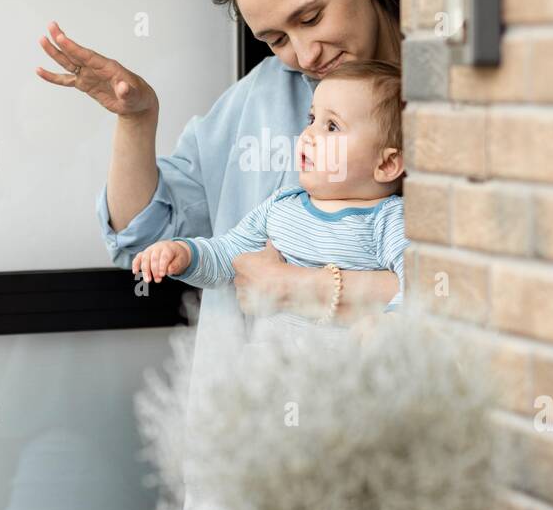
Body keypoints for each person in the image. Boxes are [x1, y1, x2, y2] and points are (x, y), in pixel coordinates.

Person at [35, 0, 404, 510]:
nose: (303, 52)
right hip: (251, 456)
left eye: (310, 16)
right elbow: (145, 237)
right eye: (277, 38)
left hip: (388, 451)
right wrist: (136, 120)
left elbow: (454, 283)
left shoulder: (442, 99)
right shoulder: (261, 100)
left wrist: (300, 287)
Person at [131, 60, 407, 335]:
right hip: (273, 374)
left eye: (332, 126)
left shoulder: (391, 220)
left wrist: (389, 328)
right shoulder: (281, 206)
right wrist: (185, 254)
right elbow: (227, 256)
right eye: (311, 119)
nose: (308, 135)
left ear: (386, 165)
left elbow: (419, 287)